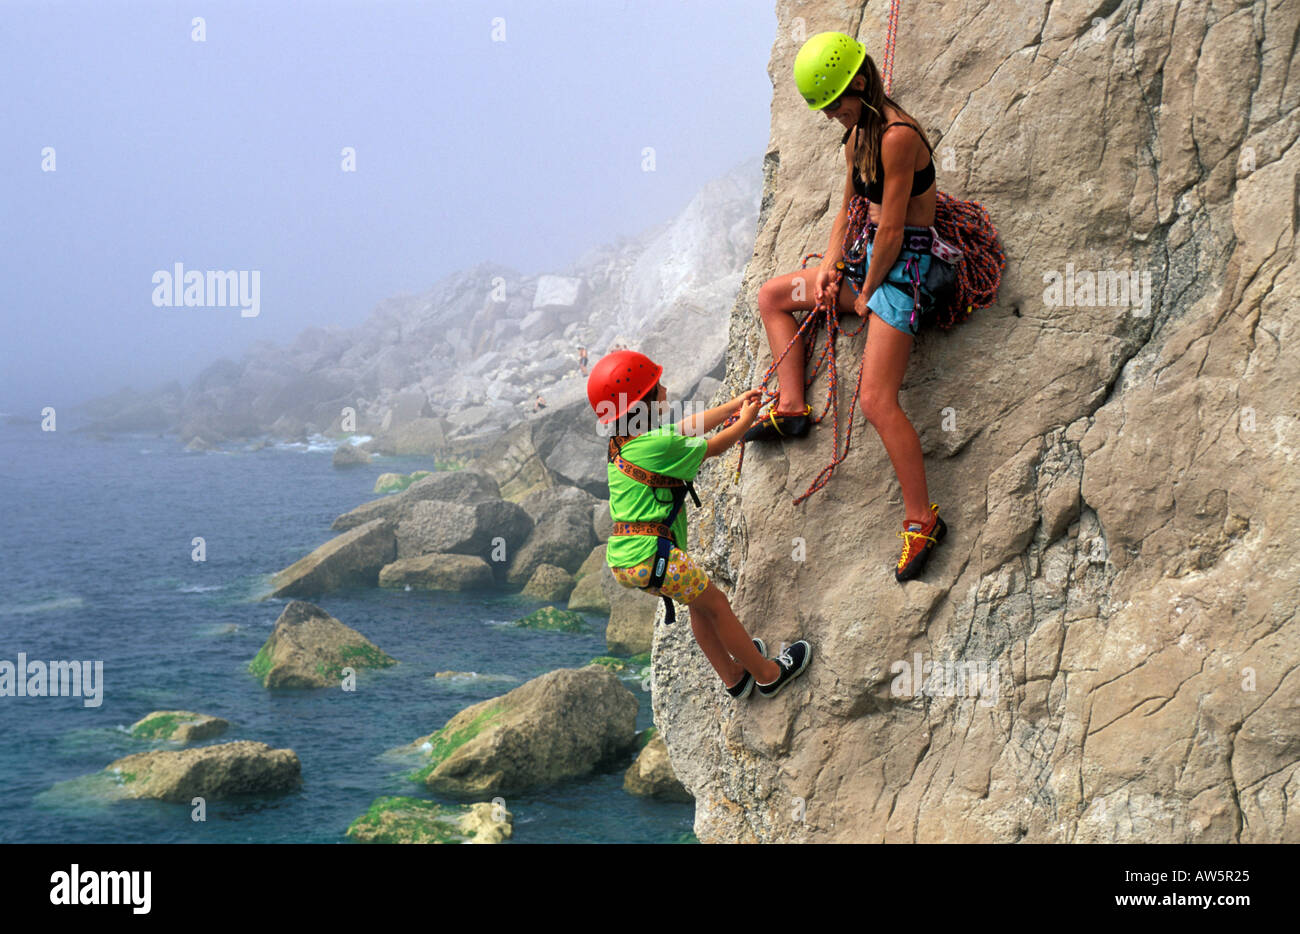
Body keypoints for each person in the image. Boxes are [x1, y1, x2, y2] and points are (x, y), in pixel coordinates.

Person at [744, 30, 947, 582]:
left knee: (877, 401)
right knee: (773, 297)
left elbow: (893, 231)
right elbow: (846, 212)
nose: (833, 115)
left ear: (860, 82)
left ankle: (921, 521)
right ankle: (791, 408)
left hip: (904, 273)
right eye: (827, 109)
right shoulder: (859, 133)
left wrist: (858, 289)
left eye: (835, 104)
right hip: (865, 265)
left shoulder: (898, 137)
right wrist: (832, 268)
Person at [588, 350, 812, 699]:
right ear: (641, 405)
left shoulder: (625, 442)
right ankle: (767, 674)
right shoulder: (656, 445)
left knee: (700, 605)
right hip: (652, 556)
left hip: (629, 557)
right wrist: (745, 421)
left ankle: (734, 676)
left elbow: (685, 428)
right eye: (657, 387)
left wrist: (731, 406)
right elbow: (715, 446)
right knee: (716, 605)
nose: (665, 389)